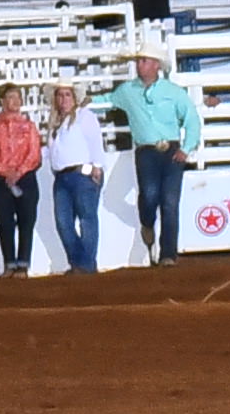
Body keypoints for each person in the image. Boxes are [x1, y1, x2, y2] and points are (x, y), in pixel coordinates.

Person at [102, 50, 200, 266]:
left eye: (144, 61)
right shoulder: (127, 90)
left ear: (156, 65)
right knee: (149, 195)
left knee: (170, 202)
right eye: (139, 61)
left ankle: (168, 254)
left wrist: (186, 148)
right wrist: (85, 100)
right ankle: (147, 223)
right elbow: (108, 100)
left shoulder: (173, 91)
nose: (139, 64)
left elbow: (192, 119)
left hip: (171, 148)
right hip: (146, 150)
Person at [0, 82, 44, 277]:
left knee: (26, 221)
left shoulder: (29, 127)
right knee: (4, 222)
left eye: (17, 97)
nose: (15, 101)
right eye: (10, 97)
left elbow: (34, 155)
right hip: (1, 180)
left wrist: (18, 172)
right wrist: (6, 172)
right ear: (2, 101)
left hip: (25, 178)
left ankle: (23, 264)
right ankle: (9, 263)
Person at [46, 82, 107, 273]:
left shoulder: (85, 117)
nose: (63, 99)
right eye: (60, 95)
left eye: (67, 95)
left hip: (82, 174)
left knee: (86, 219)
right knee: (63, 222)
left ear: (74, 98)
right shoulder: (55, 122)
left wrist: (97, 166)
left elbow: (95, 141)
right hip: (62, 176)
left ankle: (83, 264)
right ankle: (82, 262)